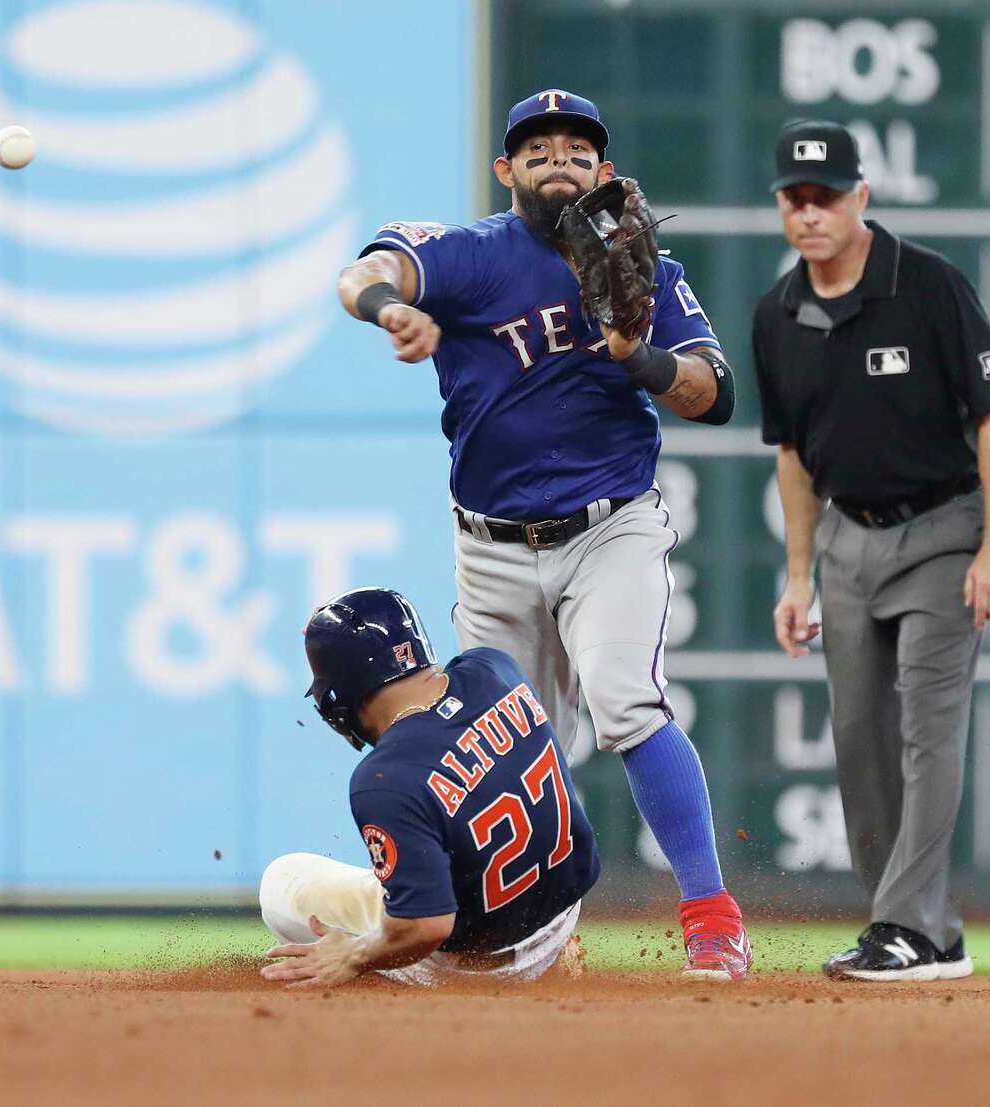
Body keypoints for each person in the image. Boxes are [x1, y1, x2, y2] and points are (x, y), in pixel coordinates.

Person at [334, 89, 750, 979]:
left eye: (575, 148)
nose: (556, 159)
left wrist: (636, 355)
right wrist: (390, 310)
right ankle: (530, 943)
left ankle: (712, 915)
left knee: (626, 699)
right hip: (489, 546)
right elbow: (362, 272)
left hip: (612, 528)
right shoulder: (472, 256)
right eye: (537, 147)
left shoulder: (652, 275)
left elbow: (716, 395)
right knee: (509, 749)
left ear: (602, 170)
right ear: (506, 169)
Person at [752, 120, 990, 982]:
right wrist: (798, 574)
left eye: (826, 195)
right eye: (795, 198)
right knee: (860, 733)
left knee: (927, 728)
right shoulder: (776, 315)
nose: (811, 212)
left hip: (945, 531)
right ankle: (918, 930)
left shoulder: (930, 286)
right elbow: (793, 457)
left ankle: (904, 922)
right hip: (847, 540)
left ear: (861, 195)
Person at [260, 587, 598, 988]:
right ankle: (559, 955)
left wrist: (352, 956)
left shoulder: (383, 778)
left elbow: (426, 926)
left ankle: (393, 1000)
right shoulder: (494, 669)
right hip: (562, 913)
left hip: (473, 964)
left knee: (282, 883)